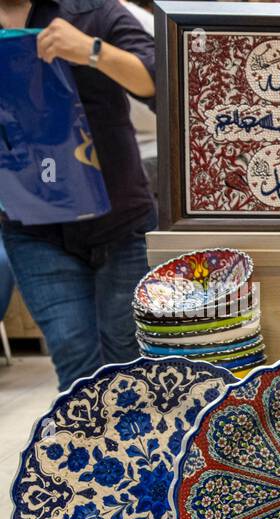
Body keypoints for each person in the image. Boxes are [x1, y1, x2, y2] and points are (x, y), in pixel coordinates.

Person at [0, 0, 156, 389]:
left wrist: (91, 50)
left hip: (120, 223)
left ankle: (134, 448)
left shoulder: (90, 10)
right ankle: (85, 449)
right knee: (75, 364)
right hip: (32, 229)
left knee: (130, 361)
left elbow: (159, 80)